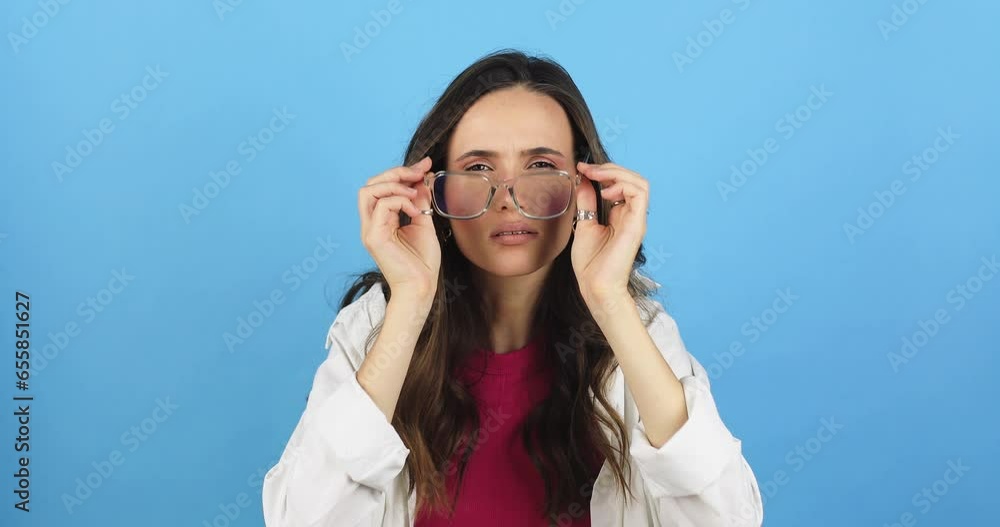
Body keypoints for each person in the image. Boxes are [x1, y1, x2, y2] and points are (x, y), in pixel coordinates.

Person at [262, 49, 763, 527]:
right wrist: (411, 299)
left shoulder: (638, 333)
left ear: (584, 187)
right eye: (479, 169)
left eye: (541, 167)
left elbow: (725, 517)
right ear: (432, 189)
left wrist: (611, 300)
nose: (508, 198)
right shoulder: (374, 329)